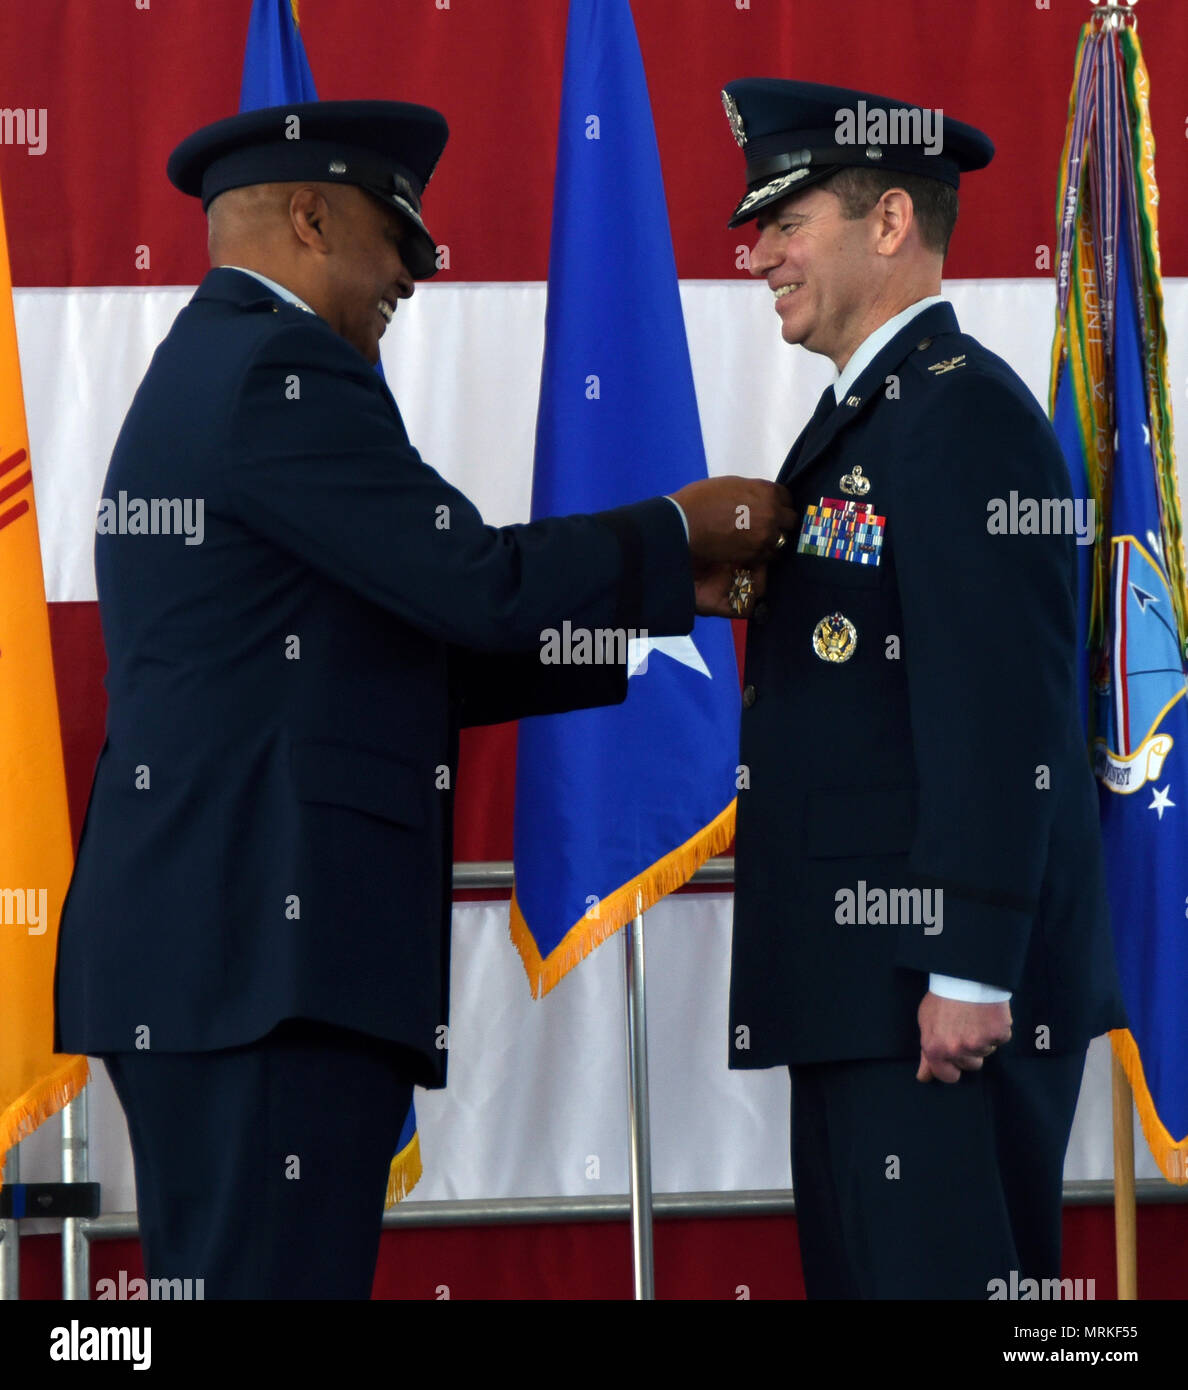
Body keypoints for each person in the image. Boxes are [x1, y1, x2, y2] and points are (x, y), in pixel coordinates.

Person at [53, 99, 795, 1299]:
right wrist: (674, 528)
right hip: (262, 964)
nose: (414, 270)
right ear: (308, 216)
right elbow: (471, 581)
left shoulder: (221, 361)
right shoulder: (280, 370)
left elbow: (390, 646)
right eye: (398, 234)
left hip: (225, 958)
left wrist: (664, 602)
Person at [719, 78, 1125, 1300]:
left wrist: (972, 967)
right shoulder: (875, 418)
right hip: (862, 990)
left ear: (890, 220)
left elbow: (1002, 710)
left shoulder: (961, 419)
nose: (761, 255)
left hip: (931, 1000)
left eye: (788, 222)